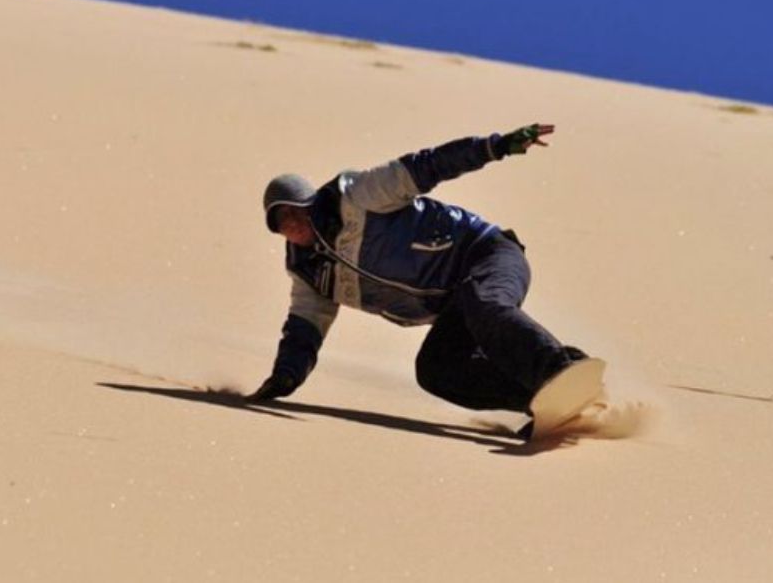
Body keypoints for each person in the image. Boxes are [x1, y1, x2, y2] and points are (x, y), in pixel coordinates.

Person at [249, 124, 594, 436]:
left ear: (310, 204)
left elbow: (429, 165)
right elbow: (304, 329)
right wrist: (285, 378)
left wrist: (495, 146)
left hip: (486, 253)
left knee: (484, 302)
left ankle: (560, 371)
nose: (291, 223)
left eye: (295, 210)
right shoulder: (310, 273)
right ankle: (545, 403)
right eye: (279, 220)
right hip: (456, 304)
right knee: (435, 371)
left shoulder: (358, 195)